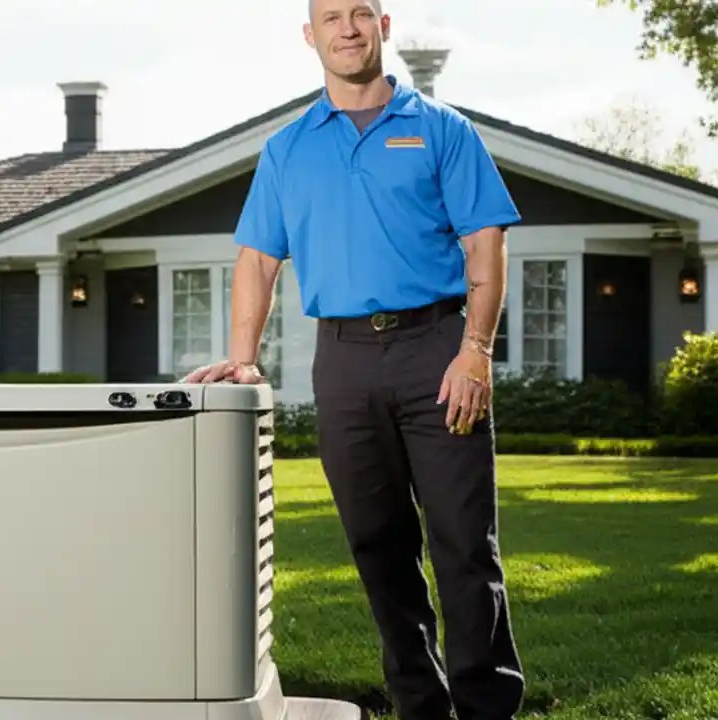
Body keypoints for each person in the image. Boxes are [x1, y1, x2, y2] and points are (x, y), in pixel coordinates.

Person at [183, 1, 525, 719]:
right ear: (311, 37)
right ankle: (418, 706)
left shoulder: (442, 131)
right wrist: (242, 358)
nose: (347, 28)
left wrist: (475, 351)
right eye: (331, 17)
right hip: (341, 361)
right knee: (377, 545)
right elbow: (257, 259)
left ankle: (487, 708)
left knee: (464, 544)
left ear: (384, 26)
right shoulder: (288, 149)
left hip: (437, 348)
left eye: (360, 13)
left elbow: (485, 243)